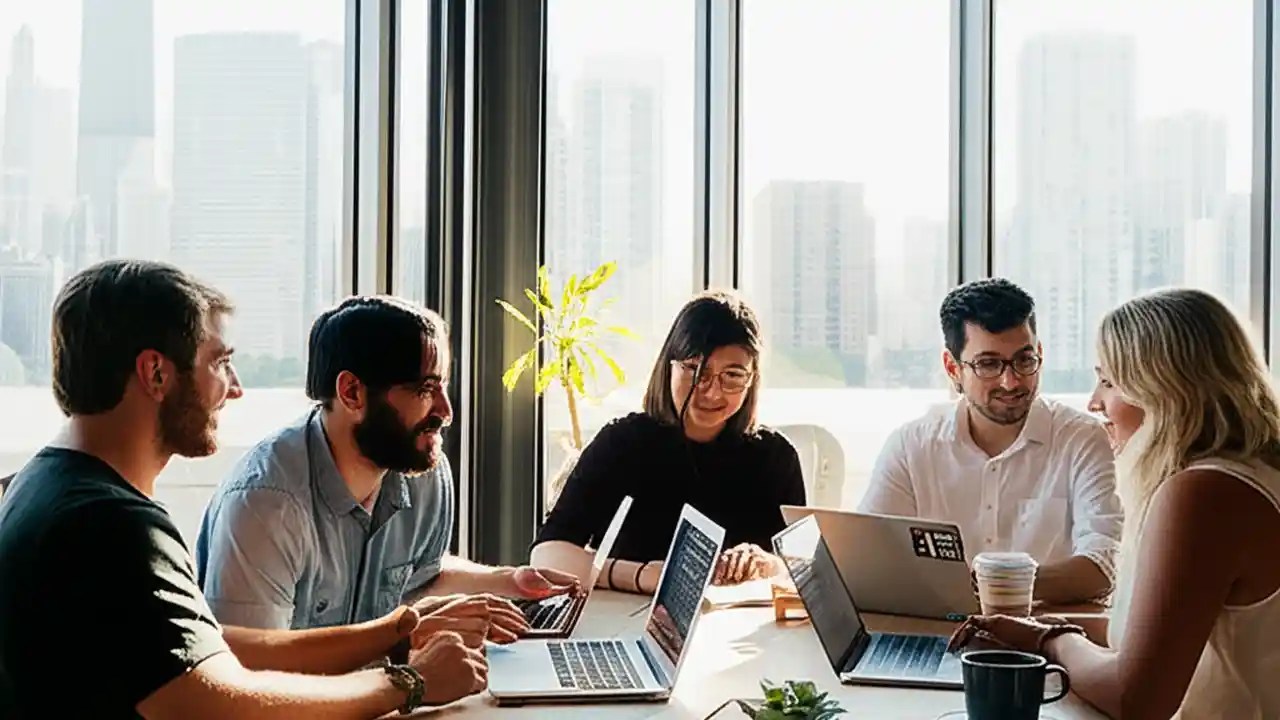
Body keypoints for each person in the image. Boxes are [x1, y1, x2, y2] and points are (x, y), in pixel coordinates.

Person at [0, 260, 486, 718]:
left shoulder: (47, 488)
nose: (234, 388)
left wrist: (394, 634)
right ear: (156, 373)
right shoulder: (112, 526)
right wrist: (408, 683)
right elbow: (219, 703)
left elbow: (208, 646)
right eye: (219, 362)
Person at [949, 288, 1280, 719]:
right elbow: (1157, 637)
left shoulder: (1206, 495)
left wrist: (1050, 642)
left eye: (1108, 381)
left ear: (1164, 389)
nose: (1094, 402)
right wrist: (1035, 629)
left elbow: (1134, 698)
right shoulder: (1251, 475)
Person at [196, 295, 578, 633]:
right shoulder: (267, 505)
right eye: (425, 389)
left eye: (443, 386)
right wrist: (404, 656)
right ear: (352, 393)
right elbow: (250, 673)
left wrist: (510, 581)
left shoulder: (424, 473)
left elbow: (417, 578)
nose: (445, 411)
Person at [859, 278, 1122, 605]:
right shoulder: (911, 447)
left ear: (1039, 353)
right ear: (953, 368)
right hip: (943, 637)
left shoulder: (1081, 438)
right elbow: (868, 560)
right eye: (988, 364)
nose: (1010, 381)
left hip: (1053, 639)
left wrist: (987, 583)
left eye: (1024, 361)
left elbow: (1103, 566)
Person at [531, 289, 806, 594]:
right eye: (697, 371)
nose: (713, 392)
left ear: (752, 378)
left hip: (736, 629)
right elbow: (547, 555)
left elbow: (805, 570)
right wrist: (641, 576)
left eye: (733, 375)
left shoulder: (776, 457)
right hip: (626, 618)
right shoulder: (623, 443)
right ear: (669, 366)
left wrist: (769, 565)